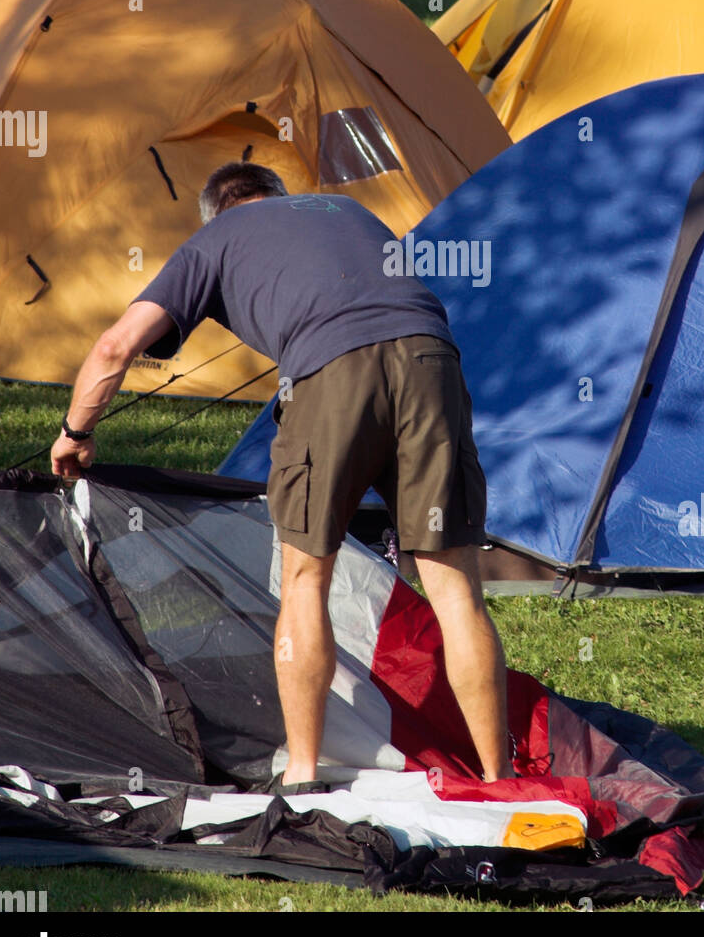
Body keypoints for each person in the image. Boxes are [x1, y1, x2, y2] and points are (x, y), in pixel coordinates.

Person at [50, 162, 514, 790]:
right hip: (432, 360)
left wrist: (75, 432)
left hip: (331, 375)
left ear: (217, 210)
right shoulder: (347, 211)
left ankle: (301, 773)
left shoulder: (213, 239)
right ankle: (499, 776)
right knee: (455, 587)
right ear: (279, 196)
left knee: (304, 578)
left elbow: (114, 346)